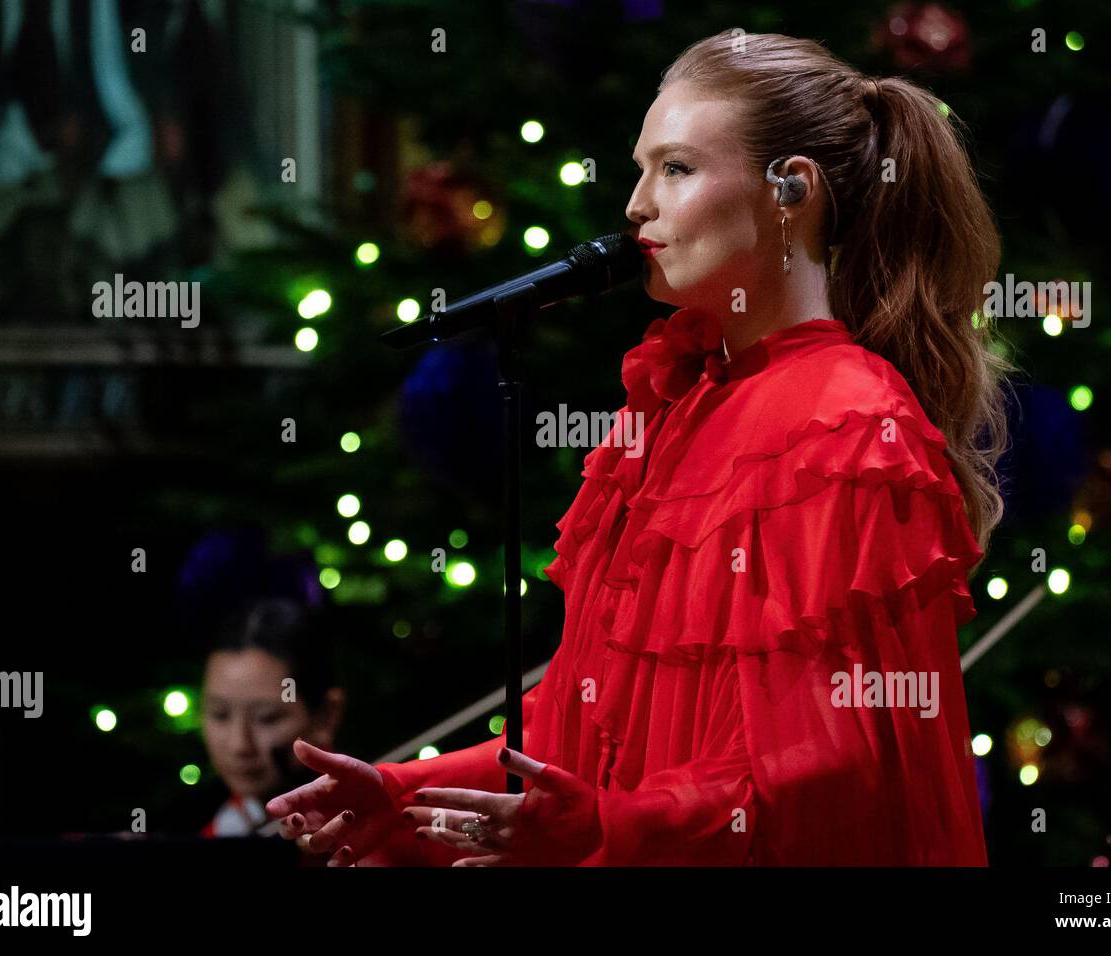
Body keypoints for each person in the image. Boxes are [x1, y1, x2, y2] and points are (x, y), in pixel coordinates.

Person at [267, 29, 1011, 866]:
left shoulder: (846, 418)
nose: (635, 205)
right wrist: (403, 794)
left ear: (789, 192)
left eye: (677, 168)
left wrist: (611, 832)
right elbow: (582, 723)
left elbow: (826, 764)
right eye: (640, 167)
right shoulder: (673, 404)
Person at [199, 598, 344, 838]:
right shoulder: (219, 823)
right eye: (219, 714)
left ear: (326, 714)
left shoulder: (350, 828)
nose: (239, 745)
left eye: (267, 718)